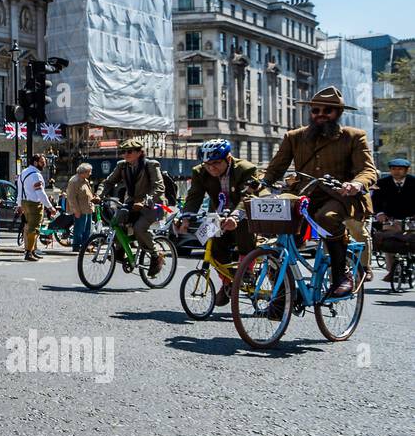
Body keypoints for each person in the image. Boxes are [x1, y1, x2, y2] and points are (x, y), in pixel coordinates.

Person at [263, 87, 378, 298]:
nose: (320, 115)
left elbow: (368, 170)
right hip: (304, 195)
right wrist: (261, 184)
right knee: (278, 234)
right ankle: (281, 297)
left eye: (328, 111)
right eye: (316, 110)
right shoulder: (294, 137)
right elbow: (275, 168)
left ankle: (341, 276)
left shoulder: (353, 137)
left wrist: (356, 184)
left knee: (326, 217)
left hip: (340, 196)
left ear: (338, 113)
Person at [174, 139, 264, 306]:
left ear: (228, 159)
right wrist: (185, 218)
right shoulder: (199, 172)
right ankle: (229, 282)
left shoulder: (246, 169)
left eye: (216, 163)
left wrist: (236, 216)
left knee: (244, 233)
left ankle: (247, 273)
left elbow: (248, 197)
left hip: (243, 214)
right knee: (213, 248)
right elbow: (194, 196)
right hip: (217, 216)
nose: (211, 168)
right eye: (207, 164)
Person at [94, 139, 166, 277]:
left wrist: (145, 201)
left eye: (129, 151)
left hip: (152, 205)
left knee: (139, 228)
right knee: (116, 221)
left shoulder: (151, 165)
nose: (125, 154)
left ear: (139, 153)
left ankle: (156, 256)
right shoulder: (122, 166)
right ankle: (120, 250)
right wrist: (98, 195)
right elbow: (108, 182)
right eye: (123, 152)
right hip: (132, 203)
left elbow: (159, 187)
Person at [374, 157, 414, 281]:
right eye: (394, 169)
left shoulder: (414, 182)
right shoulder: (382, 183)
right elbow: (375, 201)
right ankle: (391, 271)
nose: (397, 172)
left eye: (400, 169)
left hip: (411, 219)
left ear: (407, 170)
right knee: (389, 244)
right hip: (390, 219)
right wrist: (380, 214)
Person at [18, 154, 56, 262]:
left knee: (29, 227)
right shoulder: (36, 175)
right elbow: (40, 193)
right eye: (42, 162)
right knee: (34, 229)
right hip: (34, 204)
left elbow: (19, 191)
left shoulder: (23, 173)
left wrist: (19, 204)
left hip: (25, 202)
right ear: (35, 162)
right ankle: (29, 252)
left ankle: (32, 250)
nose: (44, 164)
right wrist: (50, 207)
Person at [66, 163, 96, 251]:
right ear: (83, 172)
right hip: (80, 210)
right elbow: (71, 197)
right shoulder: (74, 181)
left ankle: (85, 245)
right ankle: (76, 246)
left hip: (87, 208)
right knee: (79, 229)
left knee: (87, 229)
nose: (90, 174)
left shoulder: (85, 180)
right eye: (89, 172)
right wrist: (76, 211)